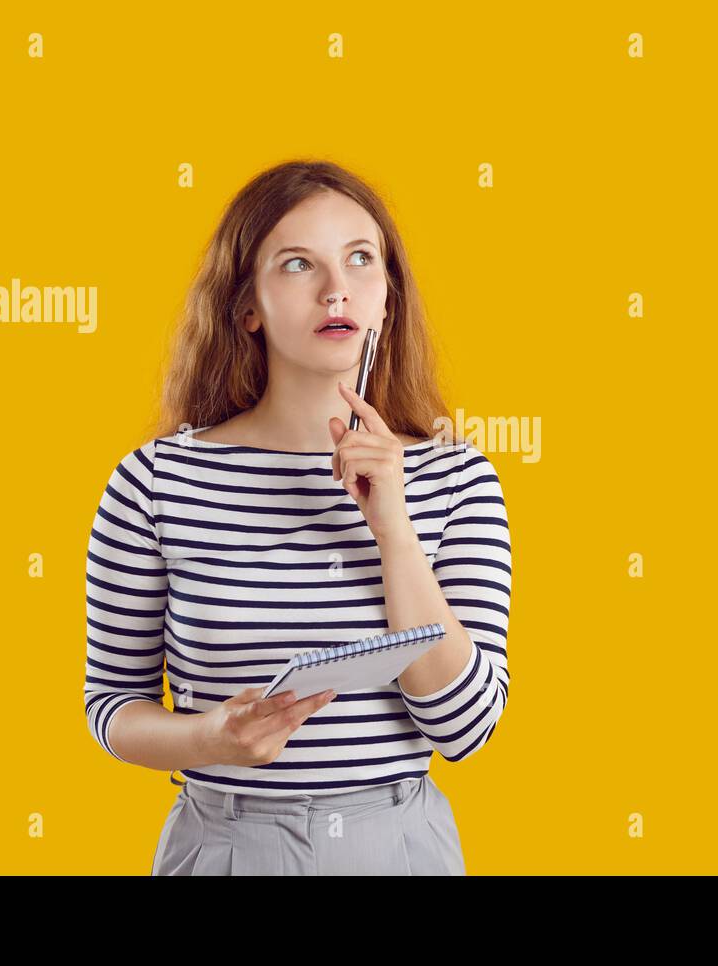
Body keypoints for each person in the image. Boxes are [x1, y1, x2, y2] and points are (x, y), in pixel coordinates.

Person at [82, 160, 512, 875]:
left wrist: (395, 529)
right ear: (247, 305)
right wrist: (210, 739)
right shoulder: (155, 482)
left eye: (359, 260)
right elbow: (111, 705)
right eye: (296, 264)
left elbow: (465, 728)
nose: (335, 288)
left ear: (386, 301)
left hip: (398, 847)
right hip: (222, 844)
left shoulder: (456, 479)